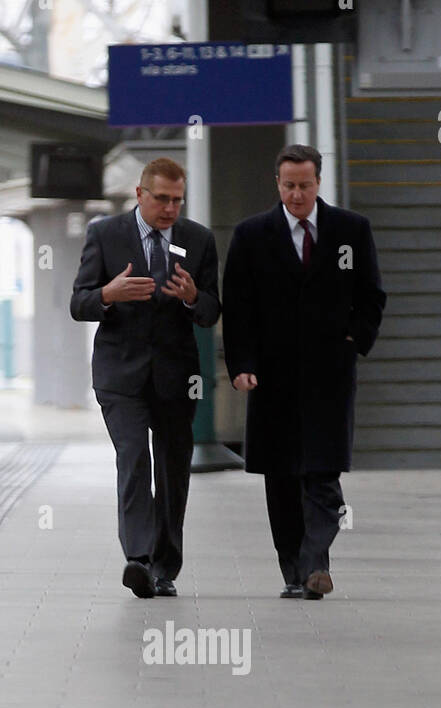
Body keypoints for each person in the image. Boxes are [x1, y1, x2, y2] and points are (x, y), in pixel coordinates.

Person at [222, 143, 386, 598]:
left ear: (319, 183)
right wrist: (242, 365)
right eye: (289, 186)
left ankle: (316, 564)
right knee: (281, 477)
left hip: (328, 374)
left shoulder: (350, 230)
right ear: (277, 183)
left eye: (305, 185)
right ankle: (295, 572)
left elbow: (371, 295)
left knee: (323, 472)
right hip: (272, 377)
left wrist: (354, 336)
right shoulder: (251, 235)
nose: (297, 195)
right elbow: (238, 307)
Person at [70, 157, 221, 597]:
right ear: (140, 194)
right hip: (121, 375)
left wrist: (194, 297)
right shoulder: (105, 234)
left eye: (178, 200)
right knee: (134, 458)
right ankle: (138, 558)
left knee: (174, 470)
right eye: (162, 199)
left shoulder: (198, 240)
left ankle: (164, 567)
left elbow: (212, 310)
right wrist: (107, 294)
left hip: (177, 377)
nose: (170, 208)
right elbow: (78, 303)